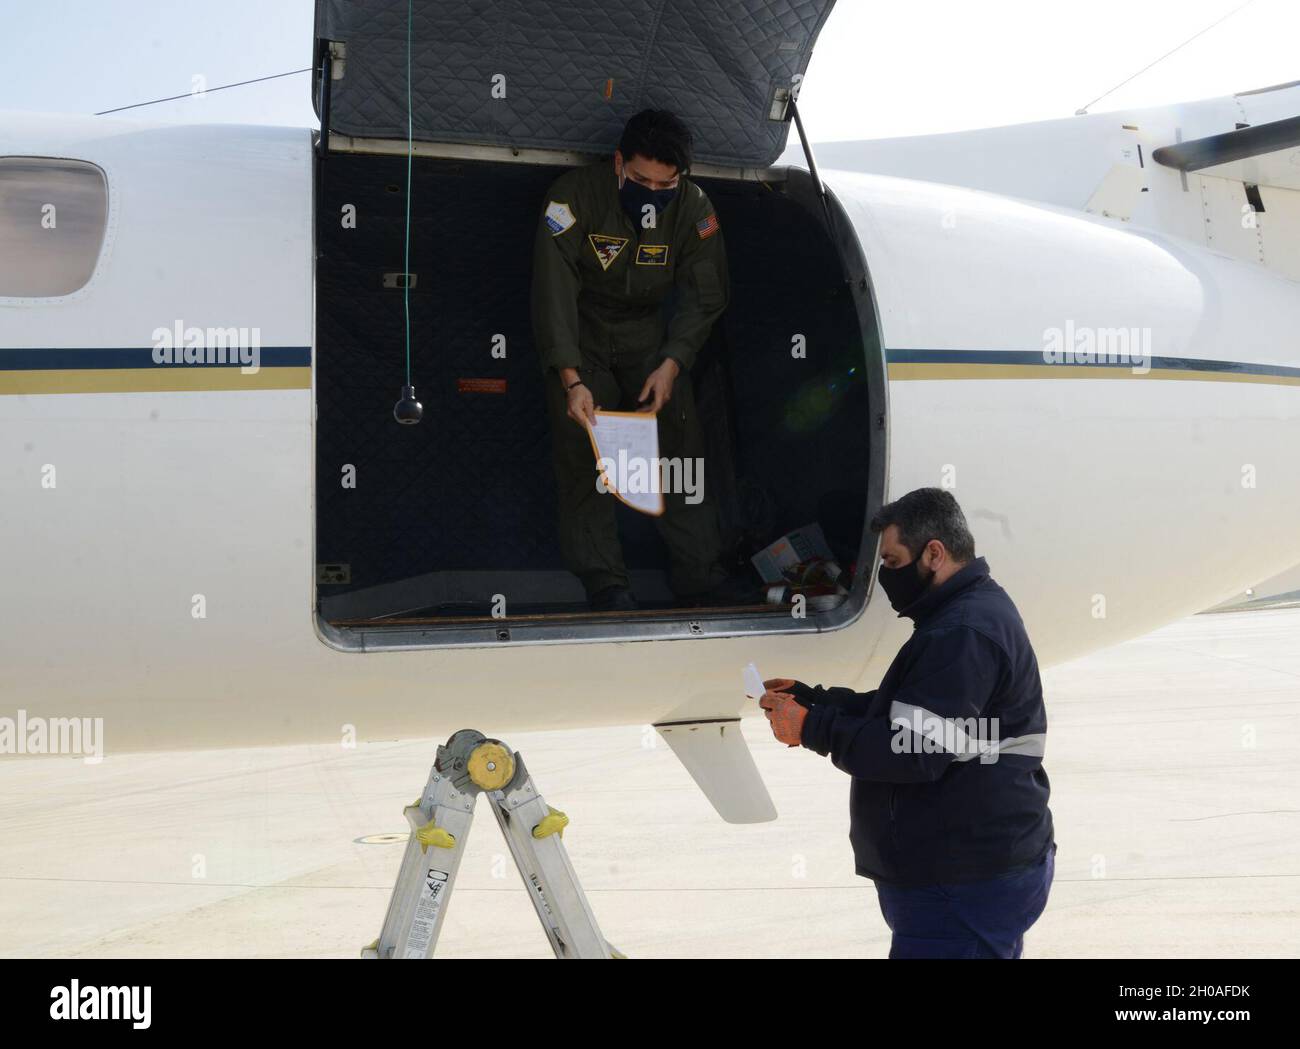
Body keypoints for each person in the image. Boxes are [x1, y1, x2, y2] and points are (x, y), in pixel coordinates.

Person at [760, 488, 1056, 958]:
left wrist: (813, 729)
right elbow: (919, 713)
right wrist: (816, 702)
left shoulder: (961, 632)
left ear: (934, 553)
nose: (886, 577)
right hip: (972, 871)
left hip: (961, 880)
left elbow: (916, 750)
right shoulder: (968, 613)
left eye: (894, 562)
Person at [531, 108, 744, 612]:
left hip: (651, 339)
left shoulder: (694, 208)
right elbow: (552, 291)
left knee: (678, 457)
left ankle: (699, 576)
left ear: (681, 176)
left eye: (664, 183)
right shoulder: (572, 197)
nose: (651, 191)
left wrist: (672, 364)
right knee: (585, 460)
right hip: (581, 339)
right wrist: (571, 379)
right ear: (618, 161)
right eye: (639, 179)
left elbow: (705, 297)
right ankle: (606, 584)